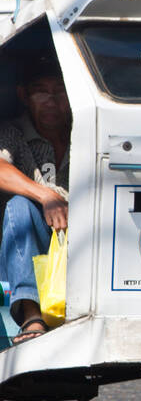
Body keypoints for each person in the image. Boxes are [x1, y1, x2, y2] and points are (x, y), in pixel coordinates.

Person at [0, 57, 70, 343]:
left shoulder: (87, 130)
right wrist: (45, 195)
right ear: (24, 96)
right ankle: (31, 315)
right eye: (41, 91)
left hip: (85, 236)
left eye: (60, 91)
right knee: (19, 206)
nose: (51, 100)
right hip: (34, 243)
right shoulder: (12, 132)